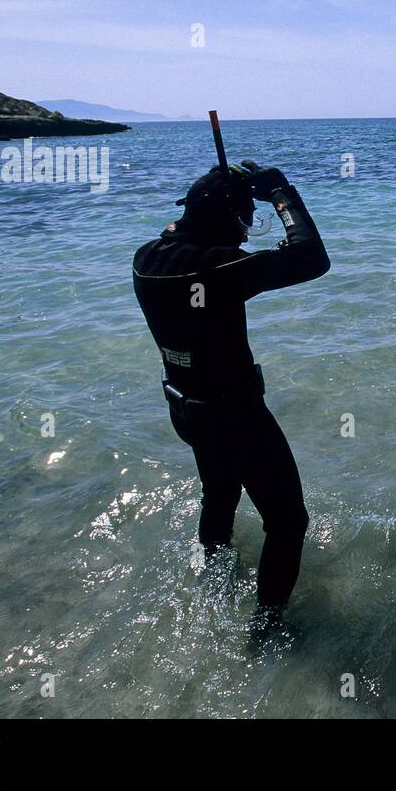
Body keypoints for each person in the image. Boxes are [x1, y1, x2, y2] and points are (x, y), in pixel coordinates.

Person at [132, 160, 330, 611]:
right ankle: (268, 627)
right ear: (224, 218)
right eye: (244, 222)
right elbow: (312, 258)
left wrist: (228, 203)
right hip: (234, 415)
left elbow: (195, 243)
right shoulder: (213, 269)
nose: (244, 235)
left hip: (187, 410)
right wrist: (280, 192)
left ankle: (212, 578)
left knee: (220, 491)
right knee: (287, 522)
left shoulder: (146, 258)